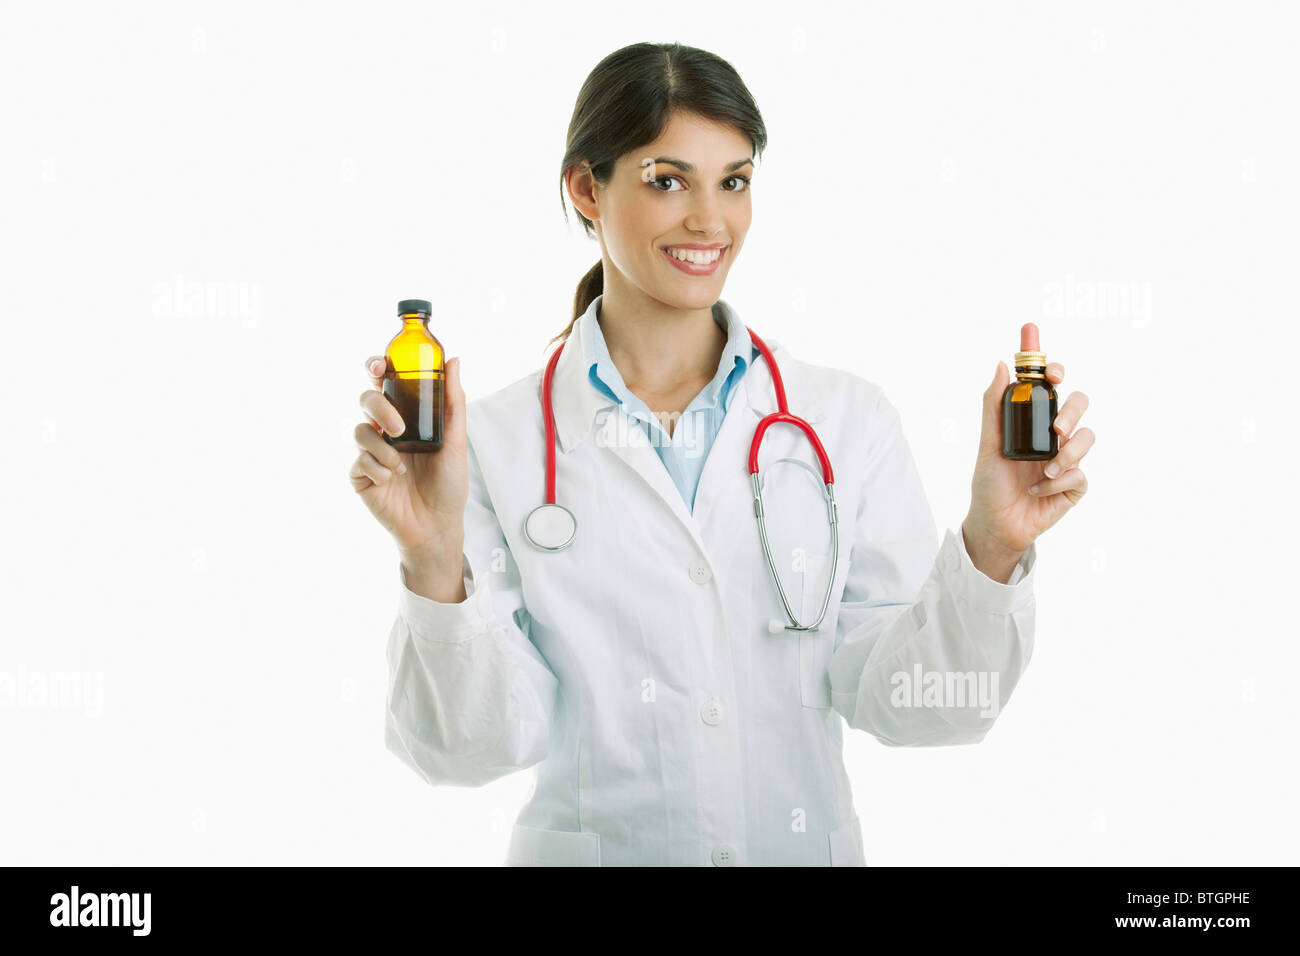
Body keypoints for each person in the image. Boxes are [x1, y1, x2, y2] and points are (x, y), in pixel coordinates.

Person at [349, 42, 1094, 866]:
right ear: (587, 188)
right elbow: (466, 750)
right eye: (668, 180)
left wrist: (993, 546)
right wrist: (430, 555)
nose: (710, 220)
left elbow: (927, 708)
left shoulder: (843, 420)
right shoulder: (489, 441)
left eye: (733, 181)